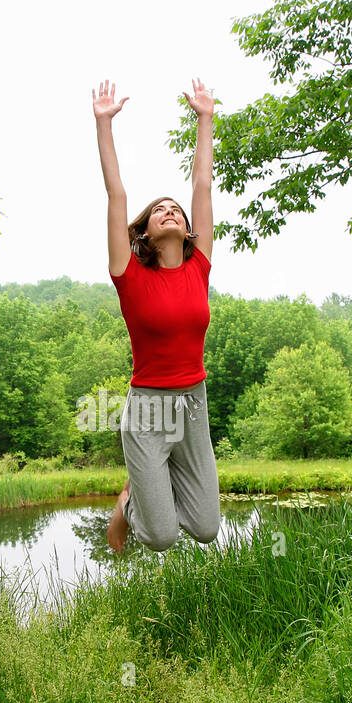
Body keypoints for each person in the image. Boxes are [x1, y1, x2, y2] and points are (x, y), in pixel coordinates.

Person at [92, 77, 220, 553]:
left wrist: (205, 117)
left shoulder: (198, 266)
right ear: (144, 232)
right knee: (162, 538)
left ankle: (149, 491)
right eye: (159, 210)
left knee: (206, 529)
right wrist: (104, 123)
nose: (170, 211)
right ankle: (128, 506)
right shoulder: (129, 274)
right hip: (147, 408)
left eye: (177, 210)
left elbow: (202, 183)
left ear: (188, 231)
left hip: (194, 403)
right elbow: (116, 194)